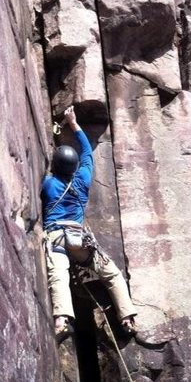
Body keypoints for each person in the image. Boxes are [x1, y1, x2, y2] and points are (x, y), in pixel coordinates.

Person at [41, 106, 137, 342]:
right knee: (112, 274)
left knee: (59, 275)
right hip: (79, 240)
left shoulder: (48, 185)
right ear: (74, 167)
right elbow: (87, 152)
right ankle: (127, 318)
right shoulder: (83, 179)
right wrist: (73, 123)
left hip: (57, 238)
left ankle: (62, 321)